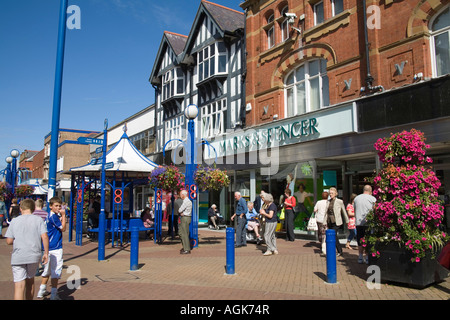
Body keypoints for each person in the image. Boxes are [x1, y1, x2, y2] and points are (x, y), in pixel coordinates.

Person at [5, 199, 49, 300]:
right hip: (33, 255)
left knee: (19, 286)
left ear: (21, 208)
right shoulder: (38, 220)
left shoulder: (15, 221)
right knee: (30, 282)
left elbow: (9, 241)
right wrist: (46, 252)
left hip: (18, 256)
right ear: (33, 209)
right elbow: (45, 237)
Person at [37, 197, 66, 300]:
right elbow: (63, 228)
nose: (58, 207)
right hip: (55, 246)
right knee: (56, 271)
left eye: (59, 206)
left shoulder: (50, 216)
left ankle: (42, 290)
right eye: (56, 206)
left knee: (47, 270)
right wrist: (63, 215)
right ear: (51, 206)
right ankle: (54, 293)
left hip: (48, 247)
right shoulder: (53, 217)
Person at [353, 185, 376, 264]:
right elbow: (375, 210)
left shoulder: (356, 198)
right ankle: (367, 257)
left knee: (360, 240)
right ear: (370, 191)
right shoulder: (372, 199)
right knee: (368, 239)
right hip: (368, 222)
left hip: (358, 222)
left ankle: (360, 256)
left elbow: (354, 210)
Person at [326, 187, 349, 256]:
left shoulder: (339, 201)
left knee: (334, 236)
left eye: (332, 193)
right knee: (331, 236)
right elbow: (326, 212)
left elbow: (343, 211)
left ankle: (339, 251)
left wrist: (347, 220)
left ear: (336, 194)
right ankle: (333, 251)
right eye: (330, 193)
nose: (330, 195)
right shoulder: (328, 201)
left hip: (336, 222)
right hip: (329, 221)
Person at [178, 190, 192, 254]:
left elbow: (180, 209)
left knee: (184, 234)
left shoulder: (186, 201)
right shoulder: (187, 201)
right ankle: (185, 246)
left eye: (180, 194)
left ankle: (186, 249)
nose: (180, 195)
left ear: (183, 195)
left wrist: (181, 212)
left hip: (185, 218)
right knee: (181, 232)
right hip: (185, 217)